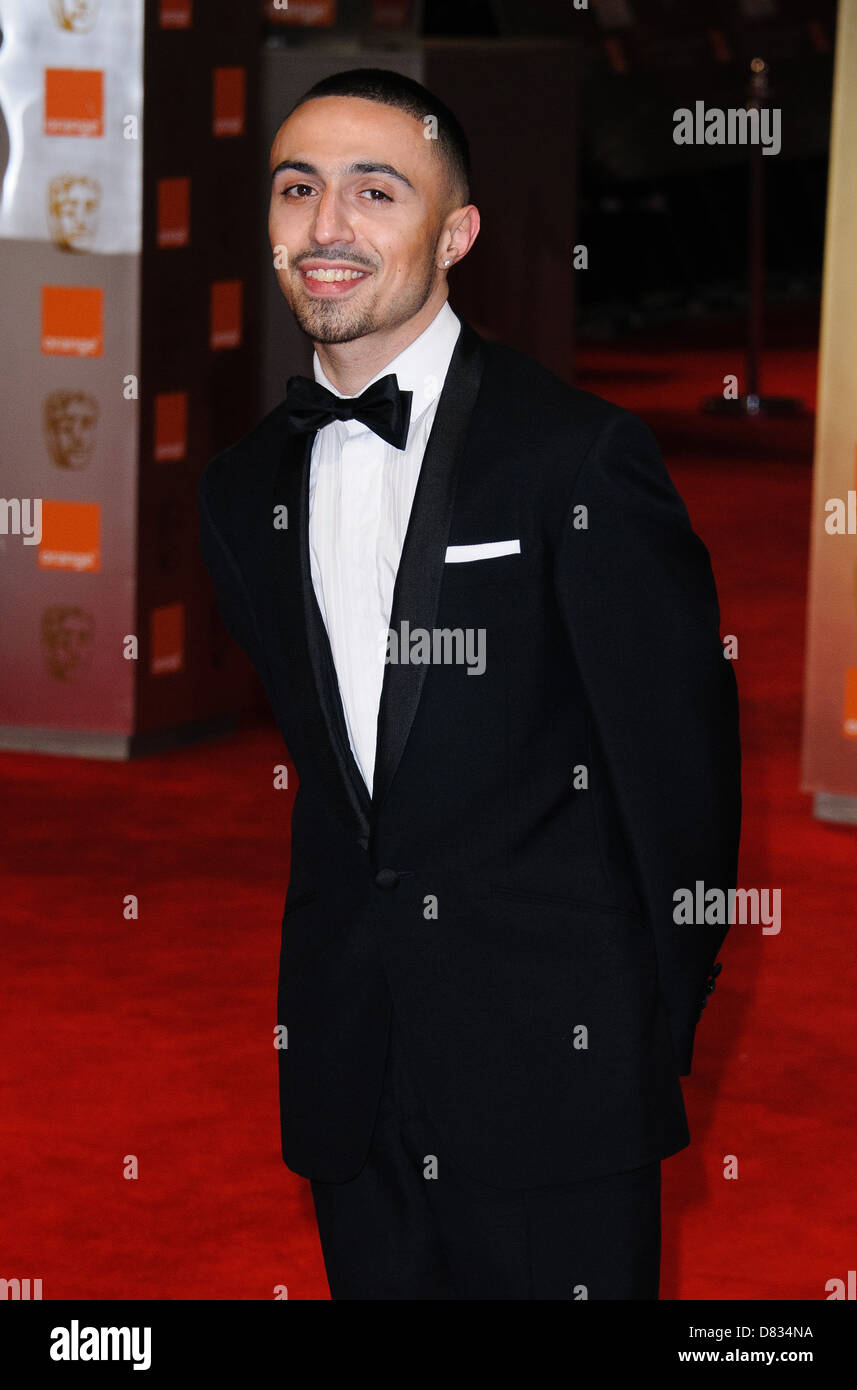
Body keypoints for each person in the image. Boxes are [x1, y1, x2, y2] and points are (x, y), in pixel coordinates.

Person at [199, 67, 741, 1301]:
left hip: (559, 1068)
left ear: (454, 236)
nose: (326, 227)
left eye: (372, 191)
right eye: (298, 188)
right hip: (351, 1064)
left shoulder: (576, 455)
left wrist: (646, 1031)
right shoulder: (239, 491)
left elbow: (679, 777)